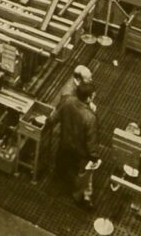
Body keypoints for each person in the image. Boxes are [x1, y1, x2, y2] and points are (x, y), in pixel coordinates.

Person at [53, 81, 98, 209]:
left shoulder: (67, 101)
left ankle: (59, 174)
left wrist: (46, 121)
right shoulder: (90, 117)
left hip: (64, 142)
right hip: (79, 150)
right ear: (88, 98)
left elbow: (55, 116)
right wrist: (94, 156)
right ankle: (80, 197)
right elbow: (91, 140)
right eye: (93, 95)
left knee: (62, 160)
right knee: (83, 174)